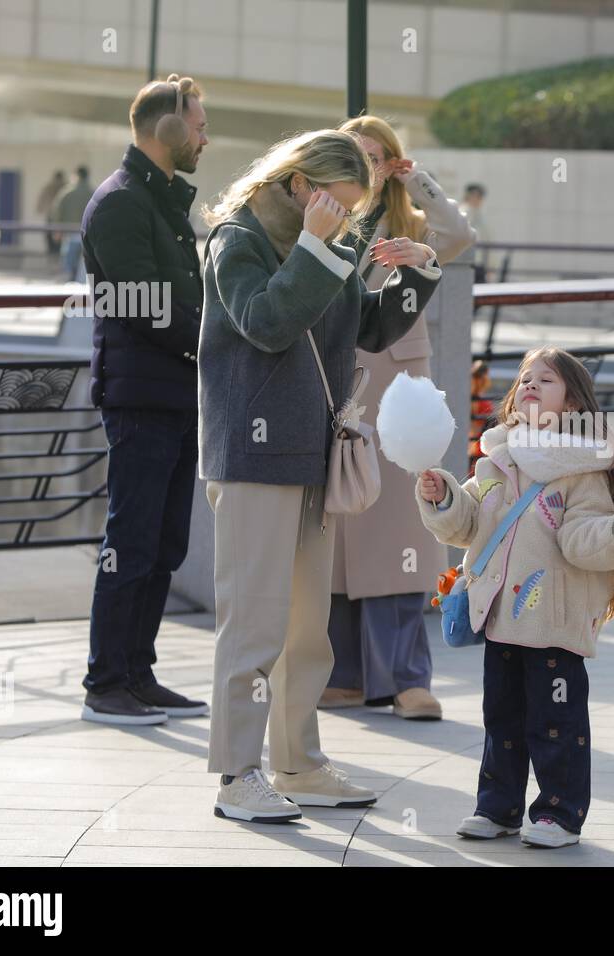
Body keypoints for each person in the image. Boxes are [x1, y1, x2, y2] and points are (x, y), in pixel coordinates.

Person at [199, 128, 442, 824]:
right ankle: (237, 776)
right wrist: (313, 248)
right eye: (336, 203)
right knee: (252, 625)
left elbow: (368, 331)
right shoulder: (236, 239)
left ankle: (297, 763)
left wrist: (418, 271)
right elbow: (266, 322)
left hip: (315, 454)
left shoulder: (331, 240)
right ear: (302, 183)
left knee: (308, 630)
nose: (344, 218)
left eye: (351, 210)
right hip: (251, 455)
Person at [416, 346, 614, 848]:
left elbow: (580, 536)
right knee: (501, 718)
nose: (530, 385)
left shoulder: (581, 465)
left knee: (555, 721)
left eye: (546, 380)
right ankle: (497, 808)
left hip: (553, 621)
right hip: (502, 616)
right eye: (525, 378)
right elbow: (472, 526)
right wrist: (445, 497)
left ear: (571, 404)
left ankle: (559, 815)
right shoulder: (497, 457)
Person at [321, 115, 476, 720]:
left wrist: (421, 184)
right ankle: (347, 675)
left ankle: (410, 678)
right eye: (358, 153)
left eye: (381, 155)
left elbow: (458, 236)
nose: (370, 164)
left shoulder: (411, 223)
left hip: (400, 387)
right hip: (336, 381)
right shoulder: (327, 216)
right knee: (339, 528)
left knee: (399, 534)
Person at [80, 74, 210, 725]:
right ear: (168, 130)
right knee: (129, 541)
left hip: (175, 397)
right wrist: (217, 341)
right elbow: (147, 307)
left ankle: (138, 671)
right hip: (140, 400)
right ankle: (106, 682)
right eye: (198, 124)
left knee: (164, 544)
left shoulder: (158, 202)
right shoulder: (122, 204)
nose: (204, 136)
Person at [55, 165, 93, 281]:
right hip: (87, 233)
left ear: (76, 176)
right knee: (85, 266)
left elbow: (57, 212)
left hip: (69, 232)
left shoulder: (66, 193)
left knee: (68, 264)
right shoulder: (94, 193)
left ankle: (67, 287)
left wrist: (58, 230)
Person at [461, 183, 491, 283]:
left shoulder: (477, 212)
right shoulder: (463, 211)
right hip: (468, 261)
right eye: (477, 196)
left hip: (477, 261)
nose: (479, 200)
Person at [37, 170, 66, 253]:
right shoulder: (65, 187)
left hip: (50, 216)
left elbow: (41, 202)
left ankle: (51, 256)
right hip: (61, 218)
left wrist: (40, 209)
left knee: (50, 238)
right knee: (61, 239)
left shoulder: (49, 187)